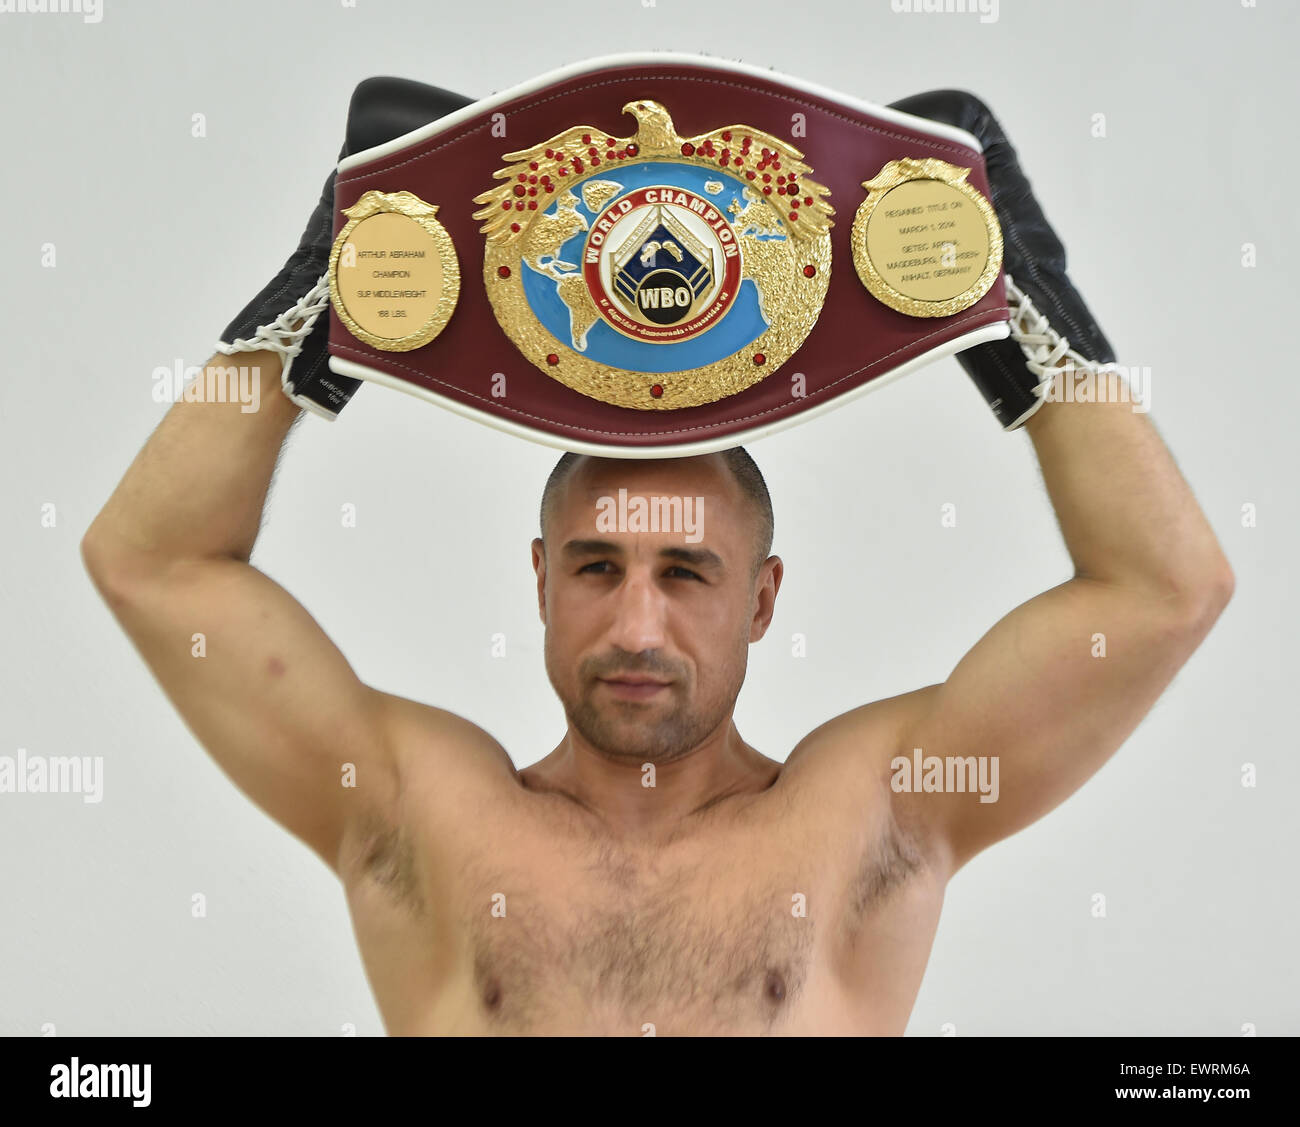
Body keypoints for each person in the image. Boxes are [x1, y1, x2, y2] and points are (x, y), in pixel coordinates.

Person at [80, 77, 1234, 1035]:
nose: (636, 626)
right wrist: (317, 304)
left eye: (686, 572)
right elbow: (150, 562)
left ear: (762, 597)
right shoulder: (418, 810)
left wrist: (1019, 305)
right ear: (537, 579)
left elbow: (1164, 588)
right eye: (596, 567)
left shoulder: (869, 812)